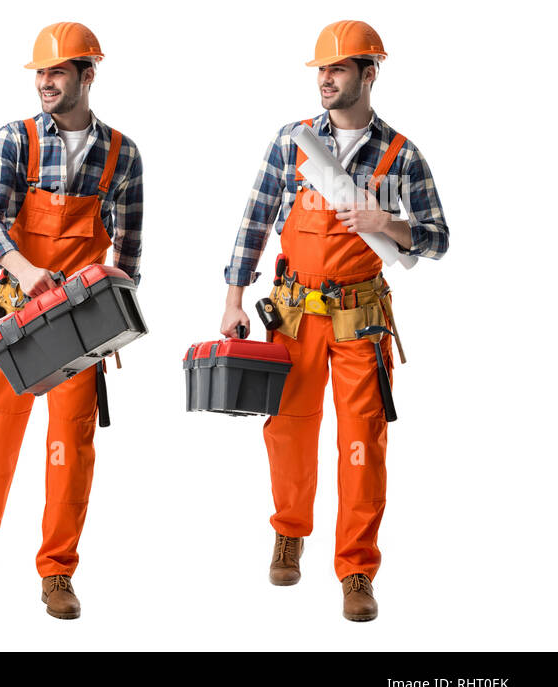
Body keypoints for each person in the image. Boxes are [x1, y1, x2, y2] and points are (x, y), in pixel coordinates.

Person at [219, 20, 448, 621]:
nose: (326, 78)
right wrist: (234, 297)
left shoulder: (401, 155)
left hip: (361, 320)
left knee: (362, 444)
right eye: (322, 68)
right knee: (288, 432)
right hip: (294, 315)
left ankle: (356, 569)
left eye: (339, 68)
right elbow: (255, 218)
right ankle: (290, 533)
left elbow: (438, 239)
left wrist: (388, 224)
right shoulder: (292, 141)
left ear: (369, 74)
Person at [0, 22, 143, 619]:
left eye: (58, 72)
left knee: (73, 444)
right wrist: (24, 269)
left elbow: (130, 250)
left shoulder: (122, 154)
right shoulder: (15, 141)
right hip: (18, 312)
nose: (45, 82)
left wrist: (120, 312)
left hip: (82, 321)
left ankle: (58, 569)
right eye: (41, 72)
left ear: (87, 76)